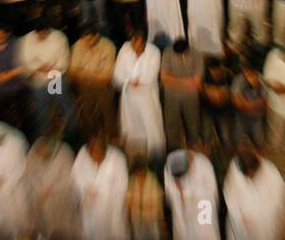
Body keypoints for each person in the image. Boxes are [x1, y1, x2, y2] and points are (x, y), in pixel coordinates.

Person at [222, 139, 285, 240]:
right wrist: (240, 216)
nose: (250, 178)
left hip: (263, 227)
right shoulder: (235, 167)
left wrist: (257, 220)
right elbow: (229, 193)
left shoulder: (272, 175)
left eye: (252, 176)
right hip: (240, 224)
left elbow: (277, 204)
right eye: (248, 176)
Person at [163, 148, 223, 240]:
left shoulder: (205, 165)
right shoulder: (170, 163)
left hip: (203, 215)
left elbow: (212, 193)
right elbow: (170, 194)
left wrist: (188, 194)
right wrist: (179, 194)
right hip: (181, 219)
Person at [71, 132, 131, 240]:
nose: (95, 158)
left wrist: (107, 196)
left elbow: (122, 185)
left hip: (111, 206)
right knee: (92, 238)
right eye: (92, 155)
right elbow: (75, 178)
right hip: (89, 207)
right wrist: (85, 189)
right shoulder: (82, 156)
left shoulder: (117, 159)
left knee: (113, 237)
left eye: (98, 154)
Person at [113, 30, 165, 161]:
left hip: (147, 96)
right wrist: (129, 81)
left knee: (151, 125)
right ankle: (135, 156)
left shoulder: (154, 52)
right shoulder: (125, 49)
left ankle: (155, 156)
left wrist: (136, 80)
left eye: (139, 46)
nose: (135, 49)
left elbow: (151, 74)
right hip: (129, 96)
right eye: (133, 46)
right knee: (131, 125)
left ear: (144, 44)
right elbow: (117, 72)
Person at [18, 22, 70, 136]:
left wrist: (46, 67)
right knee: (41, 108)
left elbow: (63, 62)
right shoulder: (26, 40)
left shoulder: (59, 38)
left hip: (55, 77)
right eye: (39, 34)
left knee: (63, 104)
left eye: (44, 33)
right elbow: (25, 61)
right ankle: (42, 133)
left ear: (49, 30)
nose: (42, 36)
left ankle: (71, 130)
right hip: (38, 80)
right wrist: (40, 67)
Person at [69, 26, 117, 137]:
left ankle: (111, 135)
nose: (87, 43)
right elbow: (73, 72)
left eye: (90, 39)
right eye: (84, 40)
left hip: (102, 84)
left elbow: (106, 76)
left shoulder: (108, 46)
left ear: (97, 36)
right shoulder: (78, 44)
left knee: (107, 110)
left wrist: (84, 73)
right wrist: (92, 75)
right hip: (84, 83)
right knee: (86, 110)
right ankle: (90, 135)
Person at [161, 37, 204, 149]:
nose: (179, 56)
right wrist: (187, 81)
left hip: (191, 96)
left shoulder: (196, 55)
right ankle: (172, 148)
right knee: (171, 124)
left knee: (193, 123)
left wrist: (173, 80)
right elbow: (164, 77)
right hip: (171, 96)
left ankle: (194, 146)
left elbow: (197, 81)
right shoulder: (168, 53)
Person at [231, 54, 267, 148]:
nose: (246, 73)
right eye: (245, 71)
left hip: (257, 117)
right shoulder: (239, 79)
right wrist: (254, 104)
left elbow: (265, 102)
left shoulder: (262, 79)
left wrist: (247, 104)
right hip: (241, 117)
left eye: (249, 72)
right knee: (239, 141)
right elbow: (237, 102)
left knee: (259, 141)